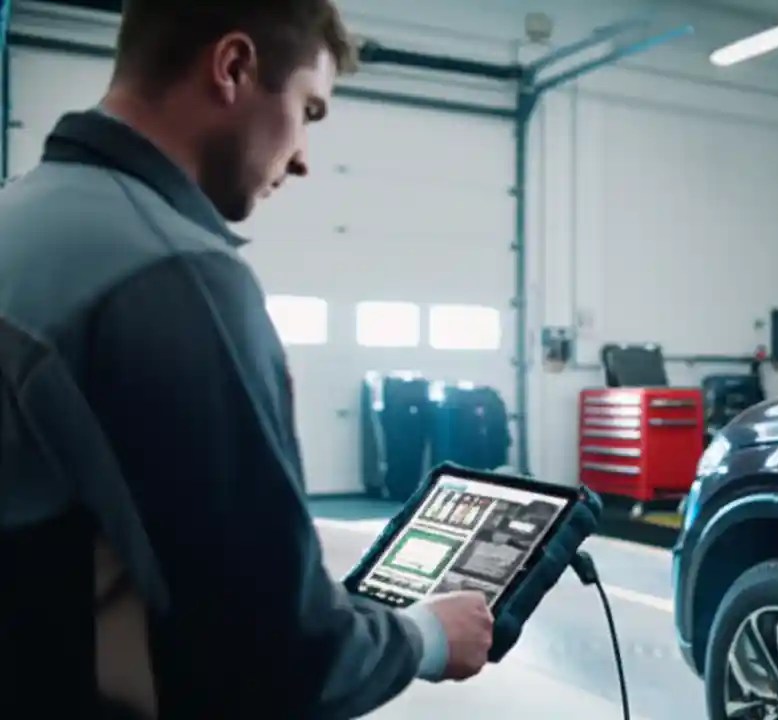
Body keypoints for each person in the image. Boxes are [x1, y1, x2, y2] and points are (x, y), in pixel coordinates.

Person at [0, 1, 493, 718]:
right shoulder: (171, 276)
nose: (301, 157)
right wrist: (424, 636)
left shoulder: (22, 215)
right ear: (232, 68)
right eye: (309, 110)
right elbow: (274, 656)